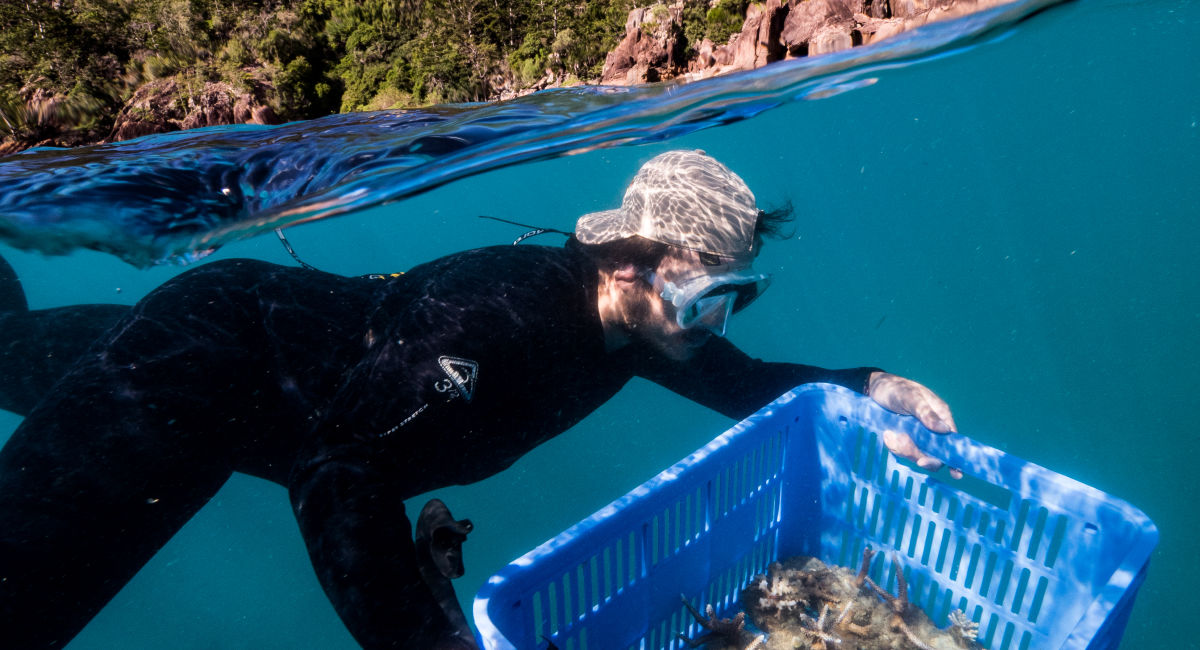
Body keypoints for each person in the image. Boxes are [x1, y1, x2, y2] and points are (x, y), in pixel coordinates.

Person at [0, 150, 956, 649]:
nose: (718, 320)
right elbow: (339, 468)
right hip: (197, 367)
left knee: (10, 353)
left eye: (738, 297)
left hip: (261, 353)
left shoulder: (638, 332)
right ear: (627, 260)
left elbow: (747, 385)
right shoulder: (496, 320)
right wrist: (429, 640)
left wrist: (873, 387)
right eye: (709, 294)